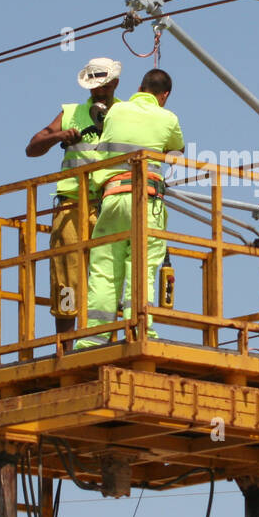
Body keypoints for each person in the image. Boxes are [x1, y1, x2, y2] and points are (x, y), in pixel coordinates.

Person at [75, 68, 183, 349]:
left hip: (111, 197)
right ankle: (140, 327)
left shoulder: (116, 112)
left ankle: (92, 338)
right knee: (142, 265)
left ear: (138, 87)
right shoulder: (168, 118)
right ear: (165, 96)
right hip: (146, 200)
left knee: (104, 268)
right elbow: (176, 154)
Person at [25, 57, 122, 349]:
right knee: (66, 276)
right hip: (71, 206)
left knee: (110, 275)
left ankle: (105, 342)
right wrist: (58, 136)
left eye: (103, 87)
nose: (98, 92)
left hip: (111, 203)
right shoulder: (71, 113)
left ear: (115, 83)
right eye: (94, 87)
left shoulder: (126, 113)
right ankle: (66, 347)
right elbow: (32, 148)